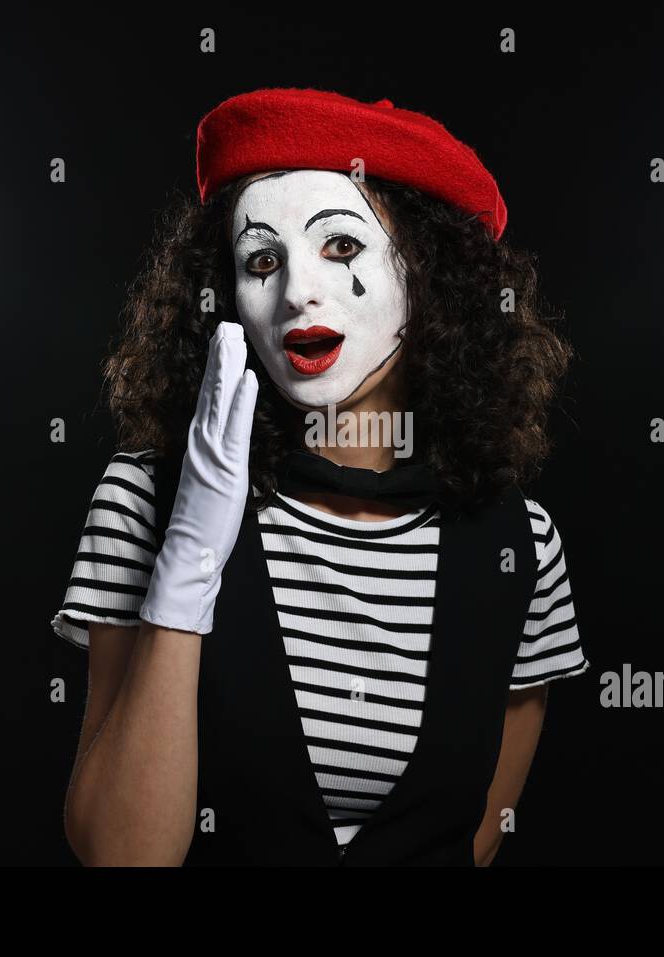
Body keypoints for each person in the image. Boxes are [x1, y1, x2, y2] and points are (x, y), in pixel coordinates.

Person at [51, 88, 589, 866]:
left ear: (430, 276)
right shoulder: (146, 500)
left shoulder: (522, 545)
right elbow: (123, 856)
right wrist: (190, 562)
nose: (297, 290)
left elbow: (471, 842)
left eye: (340, 247)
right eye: (262, 260)